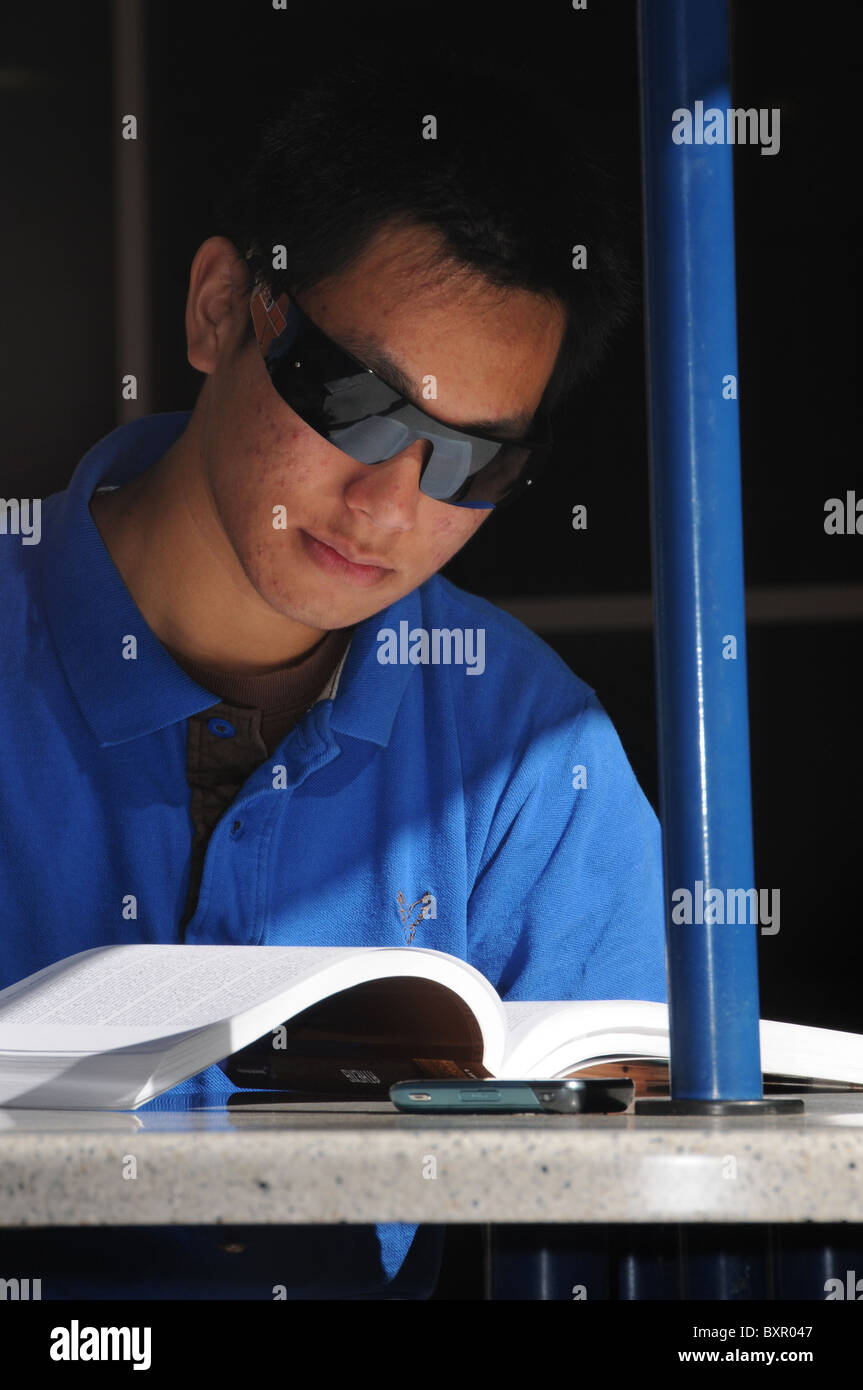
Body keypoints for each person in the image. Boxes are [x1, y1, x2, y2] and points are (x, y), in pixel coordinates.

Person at [0, 42, 666, 1298]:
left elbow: (616, 1228)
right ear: (218, 311)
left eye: (471, 461)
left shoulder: (533, 764)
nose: (387, 503)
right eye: (355, 401)